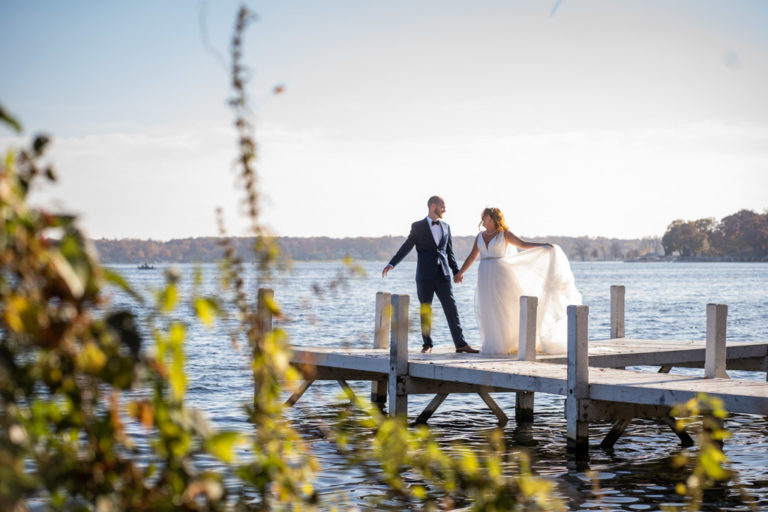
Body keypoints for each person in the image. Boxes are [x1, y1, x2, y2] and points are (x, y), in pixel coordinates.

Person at [454, 207, 582, 355]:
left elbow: (523, 245)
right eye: (483, 217)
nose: (483, 220)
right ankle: (492, 344)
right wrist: (460, 272)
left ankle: (506, 343)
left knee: (502, 308)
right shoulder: (480, 237)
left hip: (500, 274)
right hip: (483, 274)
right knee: (487, 308)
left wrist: (543, 246)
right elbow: (472, 256)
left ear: (493, 219)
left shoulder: (504, 234)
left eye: (486, 217)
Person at [383, 196, 479, 354]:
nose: (444, 210)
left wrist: (457, 272)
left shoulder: (446, 226)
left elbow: (449, 252)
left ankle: (460, 344)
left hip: (443, 275)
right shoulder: (418, 226)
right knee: (425, 309)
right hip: (424, 276)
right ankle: (427, 344)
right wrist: (392, 263)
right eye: (443, 206)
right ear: (433, 206)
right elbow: (406, 247)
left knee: (451, 308)